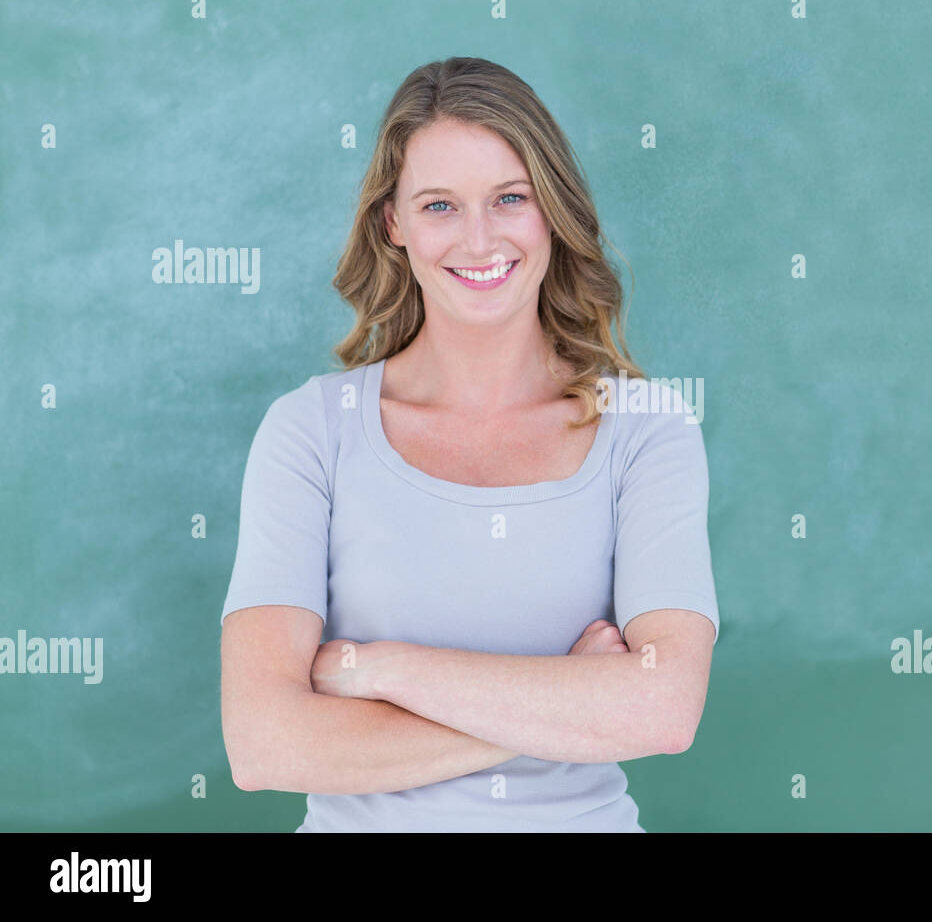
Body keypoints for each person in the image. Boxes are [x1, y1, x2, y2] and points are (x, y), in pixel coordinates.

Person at [217, 57, 719, 832]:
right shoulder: (309, 430)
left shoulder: (649, 429)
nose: (479, 238)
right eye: (440, 204)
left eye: (509, 198)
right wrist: (565, 701)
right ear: (395, 224)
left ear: (551, 209)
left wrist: (381, 669)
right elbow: (264, 746)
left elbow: (663, 709)